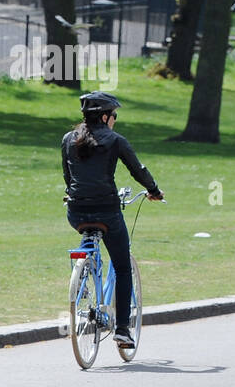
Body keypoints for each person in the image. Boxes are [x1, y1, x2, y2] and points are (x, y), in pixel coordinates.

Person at [62, 91, 163, 348]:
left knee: (89, 239)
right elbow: (137, 170)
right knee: (121, 265)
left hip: (76, 211)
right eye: (114, 115)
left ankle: (82, 280)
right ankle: (122, 330)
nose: (115, 120)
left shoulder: (67, 140)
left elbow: (68, 176)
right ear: (105, 116)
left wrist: (73, 194)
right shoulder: (115, 140)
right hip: (106, 210)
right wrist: (153, 190)